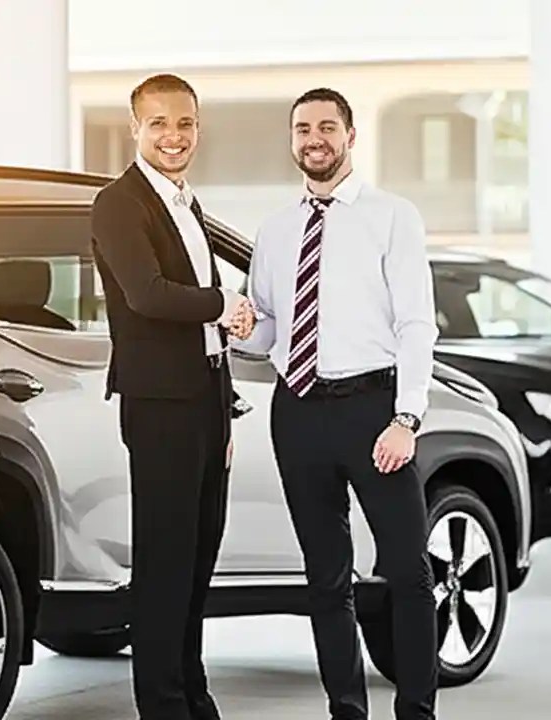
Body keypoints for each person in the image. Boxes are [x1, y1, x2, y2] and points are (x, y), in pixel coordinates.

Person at [231, 87, 440, 720]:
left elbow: (416, 325)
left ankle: (416, 709)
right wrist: (241, 323)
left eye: (327, 126)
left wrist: (407, 417)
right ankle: (345, 709)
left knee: (407, 571)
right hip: (297, 413)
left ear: (351, 136)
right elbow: (273, 327)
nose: (313, 138)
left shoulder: (392, 216)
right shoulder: (274, 229)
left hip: (373, 410)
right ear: (292, 141)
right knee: (325, 577)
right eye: (302, 129)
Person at [91, 73, 255, 720]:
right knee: (164, 567)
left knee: (197, 563)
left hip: (206, 401)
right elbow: (147, 294)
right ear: (135, 128)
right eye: (158, 123)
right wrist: (225, 305)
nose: (173, 135)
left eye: (184, 123)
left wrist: (227, 403)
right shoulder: (119, 202)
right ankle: (163, 705)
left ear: (198, 128)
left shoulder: (187, 202)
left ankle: (192, 699)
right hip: (160, 406)